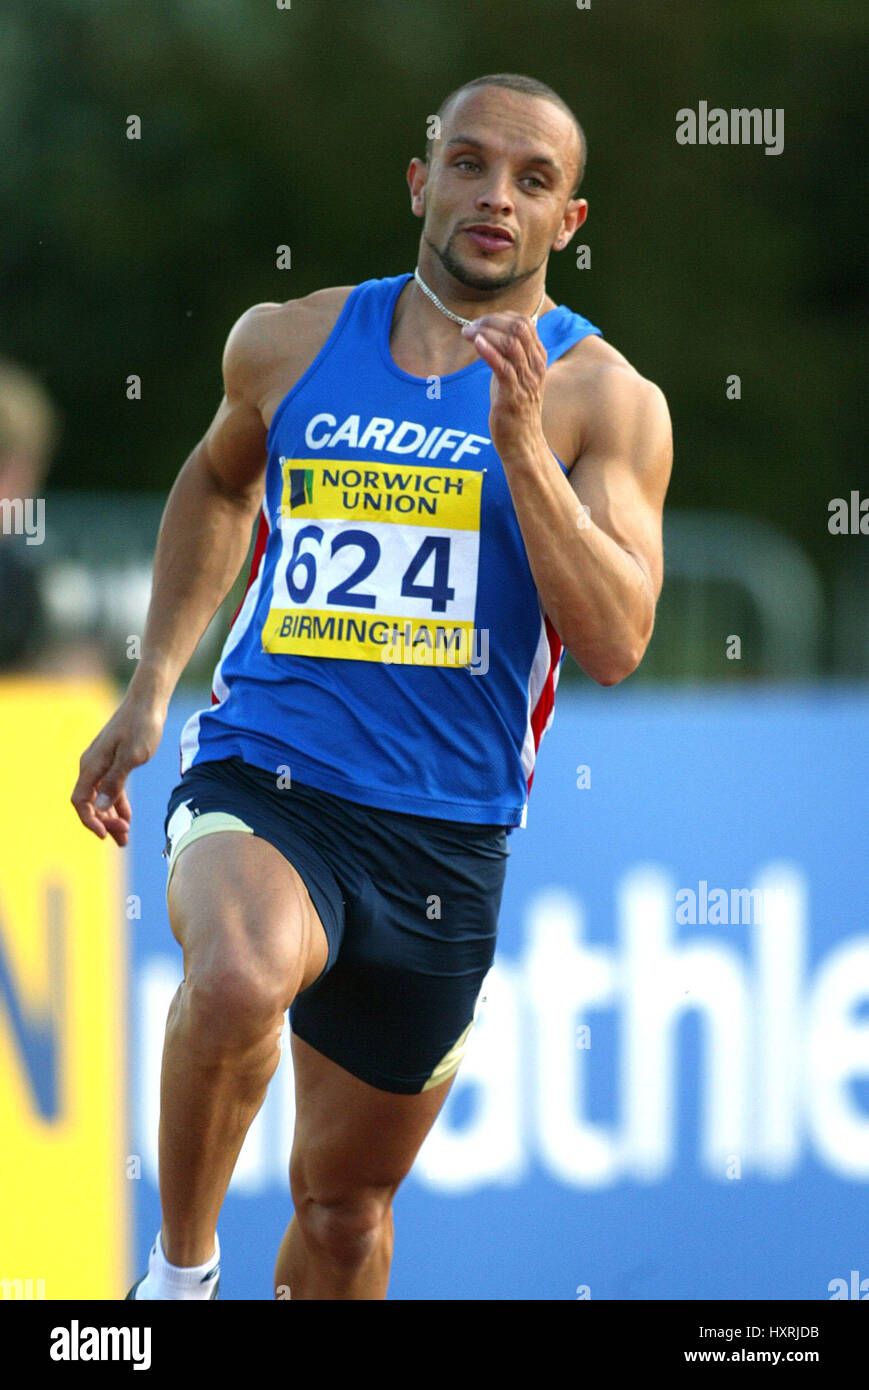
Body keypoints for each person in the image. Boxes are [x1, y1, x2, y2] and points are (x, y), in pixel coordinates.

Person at [71, 72, 672, 1300]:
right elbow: (220, 482)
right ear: (420, 180)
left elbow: (612, 639)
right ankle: (176, 1284)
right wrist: (149, 685)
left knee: (343, 1215)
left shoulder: (606, 400)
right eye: (468, 162)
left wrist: (521, 452)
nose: (494, 195)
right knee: (236, 976)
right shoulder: (287, 340)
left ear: (570, 220)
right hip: (268, 771)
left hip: (442, 844)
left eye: (532, 179)